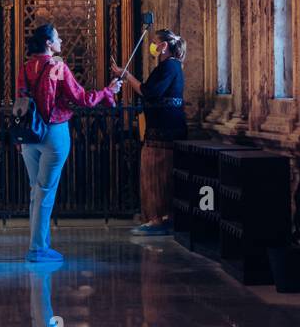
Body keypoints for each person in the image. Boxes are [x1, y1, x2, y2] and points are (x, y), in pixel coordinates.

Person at [17, 23, 122, 264]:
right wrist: (108, 91)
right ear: (48, 43)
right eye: (58, 37)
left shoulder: (25, 67)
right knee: (46, 191)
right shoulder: (56, 67)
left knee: (36, 190)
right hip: (53, 133)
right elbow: (82, 98)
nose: (61, 41)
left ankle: (38, 245)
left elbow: (21, 100)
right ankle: (38, 248)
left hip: (29, 135)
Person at [112, 28, 187, 235]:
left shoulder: (169, 66)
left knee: (158, 176)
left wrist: (127, 75)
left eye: (155, 43)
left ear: (164, 46)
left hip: (164, 131)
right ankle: (157, 218)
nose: (152, 47)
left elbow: (149, 92)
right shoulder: (168, 67)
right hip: (161, 129)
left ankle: (159, 219)